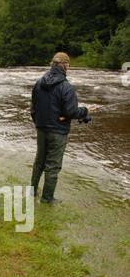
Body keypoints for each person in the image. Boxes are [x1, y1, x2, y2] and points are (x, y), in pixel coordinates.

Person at [30, 52, 95, 204]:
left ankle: (32, 191)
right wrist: (86, 110)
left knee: (39, 161)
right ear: (66, 67)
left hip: (41, 129)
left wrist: (39, 123)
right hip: (58, 132)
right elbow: (71, 112)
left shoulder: (38, 83)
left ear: (52, 65)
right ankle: (47, 198)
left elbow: (33, 109)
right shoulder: (67, 88)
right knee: (53, 165)